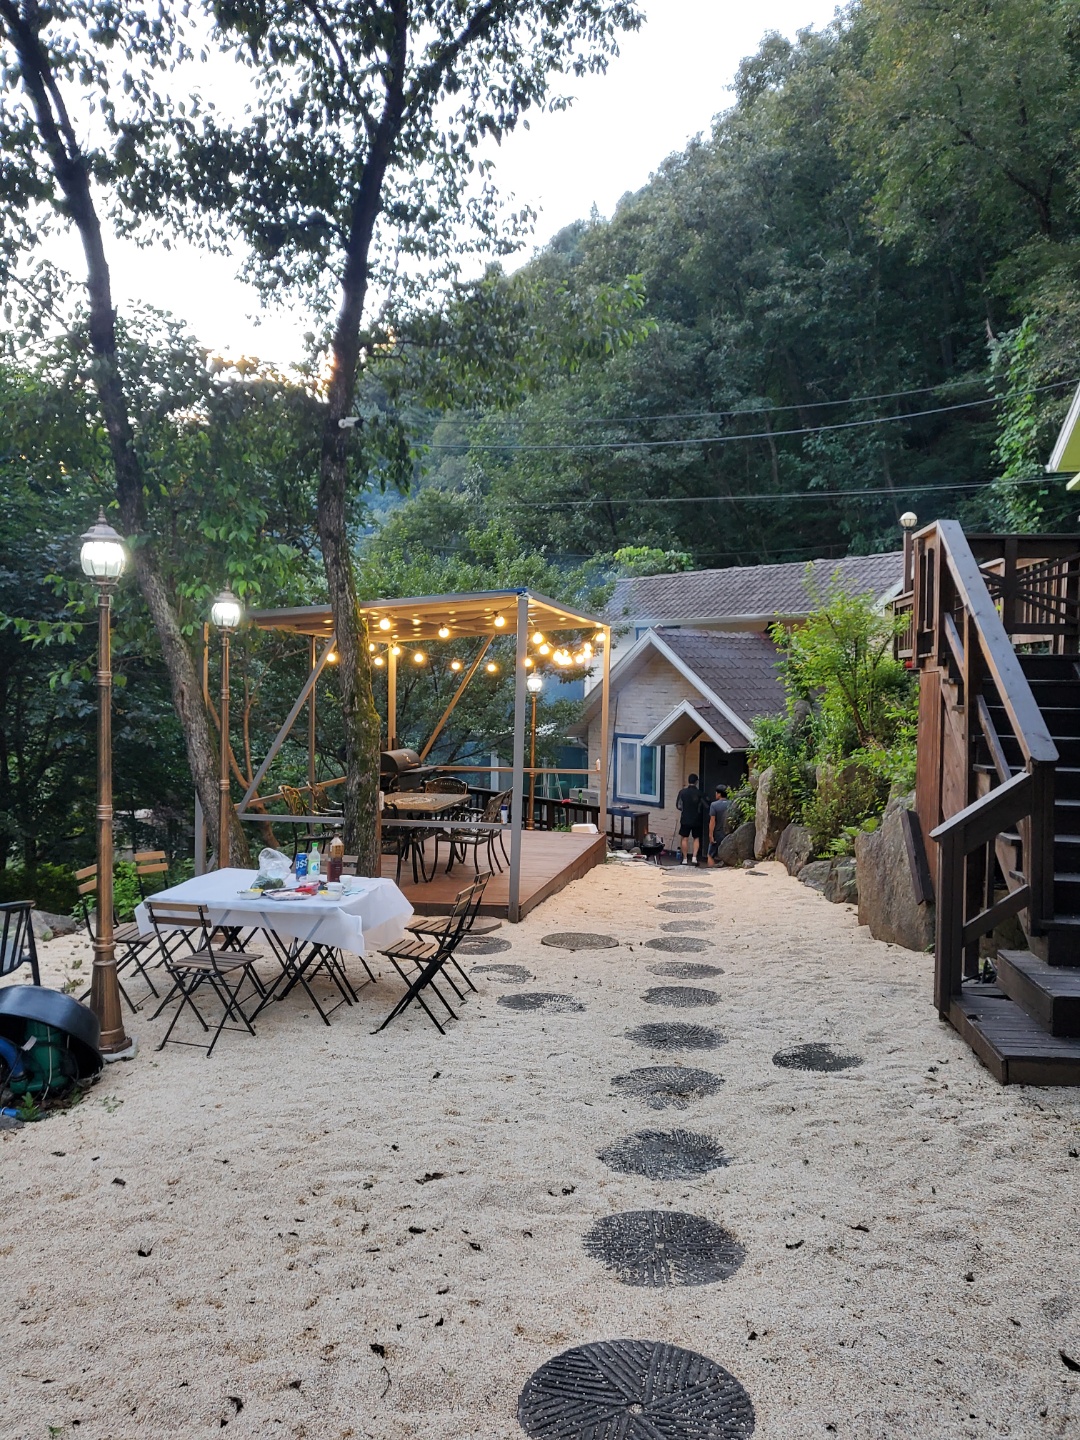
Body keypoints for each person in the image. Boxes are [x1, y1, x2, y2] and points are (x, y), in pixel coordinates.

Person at [675, 772, 705, 865]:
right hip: (697, 819)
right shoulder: (700, 793)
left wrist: (685, 810)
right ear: (696, 782)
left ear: (688, 781)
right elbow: (705, 806)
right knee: (696, 838)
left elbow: (678, 805)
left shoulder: (682, 792)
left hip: (685, 819)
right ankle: (694, 858)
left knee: (684, 838)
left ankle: (684, 859)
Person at [707, 784, 730, 866]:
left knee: (710, 855)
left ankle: (711, 870)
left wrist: (710, 835)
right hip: (728, 833)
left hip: (718, 833)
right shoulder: (731, 803)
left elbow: (712, 821)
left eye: (716, 793)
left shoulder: (714, 805)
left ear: (719, 794)